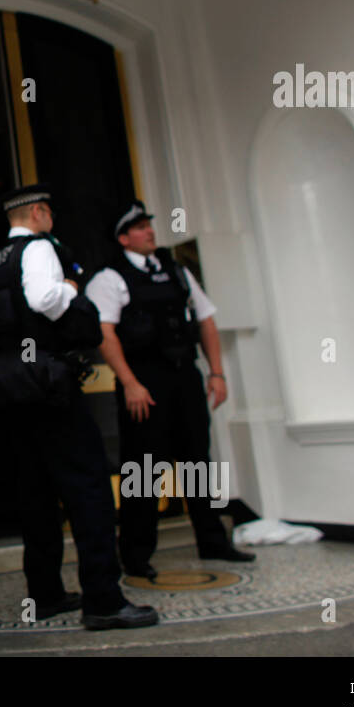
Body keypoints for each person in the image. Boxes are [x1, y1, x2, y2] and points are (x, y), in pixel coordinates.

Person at [0, 185, 158, 631]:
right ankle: (104, 600)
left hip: (9, 381)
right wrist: (70, 288)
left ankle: (47, 593)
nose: (52, 219)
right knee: (88, 487)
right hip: (48, 381)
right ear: (37, 212)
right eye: (49, 212)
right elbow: (44, 299)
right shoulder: (39, 248)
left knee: (34, 491)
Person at [87, 200, 255, 578]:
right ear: (123, 237)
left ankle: (212, 540)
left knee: (197, 459)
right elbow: (104, 332)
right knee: (144, 469)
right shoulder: (109, 278)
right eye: (141, 226)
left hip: (184, 377)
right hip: (144, 382)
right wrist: (129, 383)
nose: (150, 231)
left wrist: (216, 373)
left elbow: (206, 320)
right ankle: (136, 553)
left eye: (149, 224)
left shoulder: (176, 271)